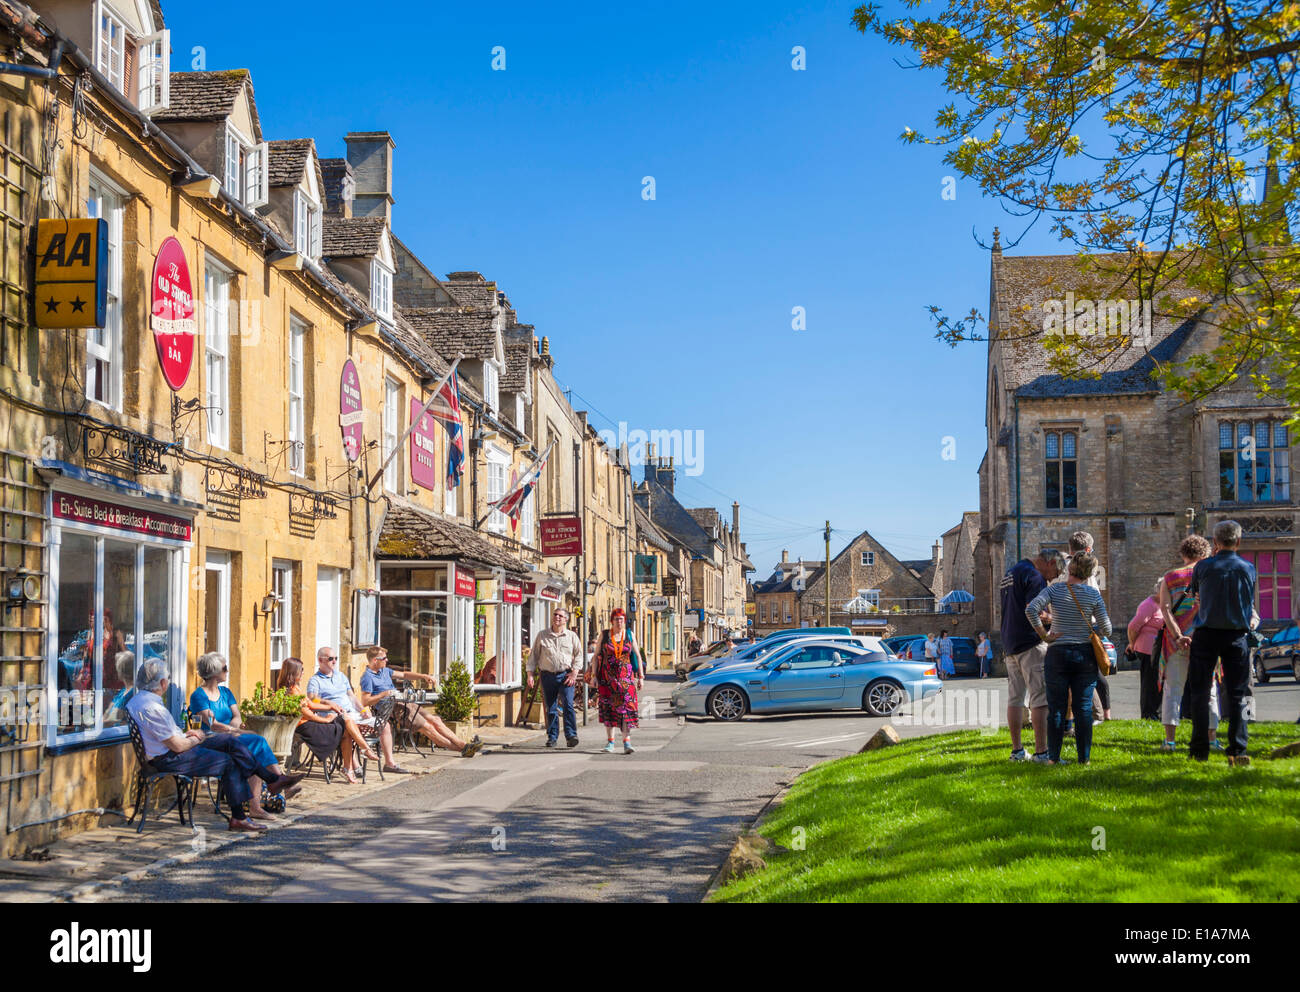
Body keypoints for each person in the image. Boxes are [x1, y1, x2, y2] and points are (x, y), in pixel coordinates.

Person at [126, 659, 304, 832]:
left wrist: (188, 735)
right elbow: (178, 746)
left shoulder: (139, 701)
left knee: (229, 741)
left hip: (171, 750)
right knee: (230, 762)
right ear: (163, 683)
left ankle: (272, 780)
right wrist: (198, 737)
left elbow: (169, 738)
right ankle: (240, 816)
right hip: (170, 758)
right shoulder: (153, 708)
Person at [1180, 520, 1257, 765]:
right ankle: (1237, 747)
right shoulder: (1248, 567)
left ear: (1215, 542)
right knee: (1237, 694)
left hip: (1207, 633)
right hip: (1236, 635)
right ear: (1239, 541)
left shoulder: (1203, 567)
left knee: (1200, 692)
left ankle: (1199, 748)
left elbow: (1194, 595)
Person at [1026, 552, 1111, 765]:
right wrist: (1092, 630)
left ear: (1070, 568)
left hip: (1057, 652)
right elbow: (1107, 627)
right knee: (1083, 707)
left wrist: (1044, 635)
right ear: (1090, 572)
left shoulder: (1055, 589)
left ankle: (1053, 758)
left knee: (1056, 707)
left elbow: (1031, 609)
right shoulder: (1093, 595)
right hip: (1084, 653)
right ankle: (1084, 758)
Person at [188, 652, 288, 820]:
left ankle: (262, 800)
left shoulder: (226, 693)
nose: (227, 671)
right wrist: (236, 731)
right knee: (257, 740)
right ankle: (278, 782)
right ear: (214, 672)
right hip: (212, 740)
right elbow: (213, 724)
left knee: (255, 748)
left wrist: (233, 730)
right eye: (225, 668)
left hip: (232, 737)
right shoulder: (198, 696)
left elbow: (237, 716)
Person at [357, 646, 481, 769]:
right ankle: (463, 747)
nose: (387, 660)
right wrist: (382, 694)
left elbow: (404, 674)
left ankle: (464, 746)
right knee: (428, 727)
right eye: (384, 658)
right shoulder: (368, 677)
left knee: (436, 720)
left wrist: (423, 676)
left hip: (404, 702)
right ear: (375, 660)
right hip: (392, 709)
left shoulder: (384, 671)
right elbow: (365, 701)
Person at [1156, 535, 1224, 753]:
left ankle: (1170, 741)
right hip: (1206, 640)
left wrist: (1178, 635)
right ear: (1205, 553)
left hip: (1176, 643)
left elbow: (1165, 610)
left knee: (1172, 691)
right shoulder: (1213, 575)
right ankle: (1212, 739)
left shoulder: (1171, 577)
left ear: (1183, 554)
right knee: (1209, 689)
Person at [1000, 548, 1065, 762]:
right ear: (1050, 562)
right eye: (1058, 570)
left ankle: (1017, 751)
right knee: (1040, 698)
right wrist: (1047, 626)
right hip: (1030, 643)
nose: (1056, 576)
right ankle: (1041, 752)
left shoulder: (1012, 571)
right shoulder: (1036, 576)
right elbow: (1033, 610)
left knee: (1015, 698)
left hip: (1010, 642)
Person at [307, 646, 379, 784]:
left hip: (351, 713)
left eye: (336, 658)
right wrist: (326, 701)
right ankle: (364, 751)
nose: (334, 661)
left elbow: (352, 696)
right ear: (320, 660)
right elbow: (311, 698)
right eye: (330, 659)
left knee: (382, 724)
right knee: (347, 723)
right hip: (333, 716)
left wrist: (363, 710)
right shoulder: (315, 680)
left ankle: (380, 761)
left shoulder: (340, 676)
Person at [527, 607, 583, 748]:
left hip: (566, 675)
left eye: (560, 616)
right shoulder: (542, 635)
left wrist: (574, 673)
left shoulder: (571, 636)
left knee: (568, 705)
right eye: (555, 615)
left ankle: (571, 735)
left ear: (566, 619)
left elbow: (579, 655)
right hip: (548, 675)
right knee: (550, 707)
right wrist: (530, 674)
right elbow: (534, 656)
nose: (557, 617)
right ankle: (552, 737)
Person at [276, 657, 345, 768]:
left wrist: (330, 707)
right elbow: (307, 714)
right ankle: (357, 755)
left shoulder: (296, 688)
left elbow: (311, 705)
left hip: (307, 723)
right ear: (294, 672)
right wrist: (326, 719)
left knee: (341, 723)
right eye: (301, 670)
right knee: (339, 727)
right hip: (303, 726)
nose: (303, 672)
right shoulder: (292, 692)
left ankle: (355, 758)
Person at [593, 608, 643, 754]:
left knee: (626, 710)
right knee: (609, 710)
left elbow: (638, 656)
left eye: (621, 619)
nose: (619, 622)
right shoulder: (604, 635)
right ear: (612, 621)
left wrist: (641, 677)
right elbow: (596, 656)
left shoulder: (629, 634)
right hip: (607, 679)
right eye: (616, 619)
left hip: (626, 680)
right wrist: (595, 676)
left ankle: (627, 743)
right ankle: (610, 742)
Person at [1127, 579, 1166, 720]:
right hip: (1148, 649)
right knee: (1150, 684)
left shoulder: (1164, 604)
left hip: (1160, 650)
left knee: (1158, 683)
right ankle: (1149, 715)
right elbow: (1133, 627)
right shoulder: (1149, 605)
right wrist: (1132, 644)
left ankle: (1156, 714)